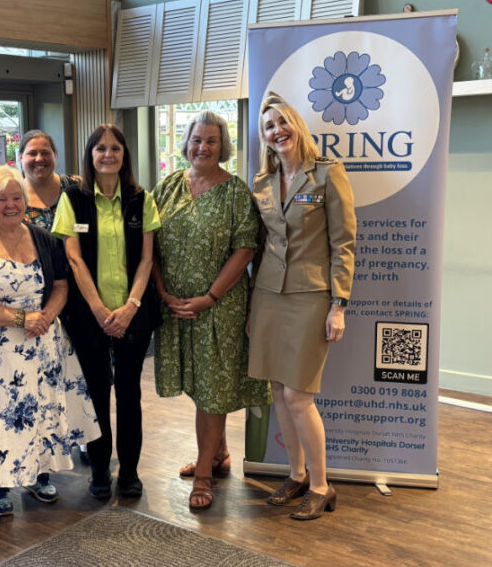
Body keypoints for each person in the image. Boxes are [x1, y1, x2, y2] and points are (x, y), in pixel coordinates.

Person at [0, 165, 100, 517]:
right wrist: (21, 318)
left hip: (43, 343)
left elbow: (60, 286)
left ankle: (39, 474)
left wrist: (46, 317)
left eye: (16, 198)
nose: (11, 205)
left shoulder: (42, 237)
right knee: (0, 418)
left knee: (42, 411)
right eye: (2, 199)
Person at [152, 111, 271, 510]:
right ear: (186, 143)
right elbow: (148, 244)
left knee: (212, 392)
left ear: (224, 147)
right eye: (197, 139)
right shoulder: (167, 187)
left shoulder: (236, 192)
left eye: (212, 141)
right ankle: (216, 454)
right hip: (175, 306)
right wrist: (163, 291)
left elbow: (246, 249)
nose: (203, 147)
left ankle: (204, 477)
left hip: (219, 309)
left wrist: (210, 297)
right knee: (198, 385)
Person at [248, 92, 356, 520]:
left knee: (298, 396)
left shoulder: (328, 174)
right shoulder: (261, 183)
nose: (277, 131)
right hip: (269, 296)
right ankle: (294, 475)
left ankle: (321, 485)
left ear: (297, 125)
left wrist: (339, 304)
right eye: (269, 127)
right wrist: (252, 309)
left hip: (312, 297)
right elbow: (260, 245)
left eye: (282, 122)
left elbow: (343, 243)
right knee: (277, 390)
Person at [52, 124, 161, 500]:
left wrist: (130, 307)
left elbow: (147, 260)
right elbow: (73, 258)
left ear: (124, 155)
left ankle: (129, 472)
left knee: (129, 394)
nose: (108, 154)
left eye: (115, 148)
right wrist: (99, 310)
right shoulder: (73, 199)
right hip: (89, 317)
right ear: (91, 154)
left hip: (133, 314)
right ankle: (99, 470)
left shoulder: (141, 199)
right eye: (100, 148)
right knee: (96, 394)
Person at [18, 129, 90, 465]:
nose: (39, 159)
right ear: (21, 158)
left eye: (45, 152)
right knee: (45, 374)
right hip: (37, 301)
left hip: (80, 291)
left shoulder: (75, 188)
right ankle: (46, 441)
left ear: (55, 155)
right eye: (31, 153)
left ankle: (87, 435)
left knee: (87, 370)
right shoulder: (13, 196)